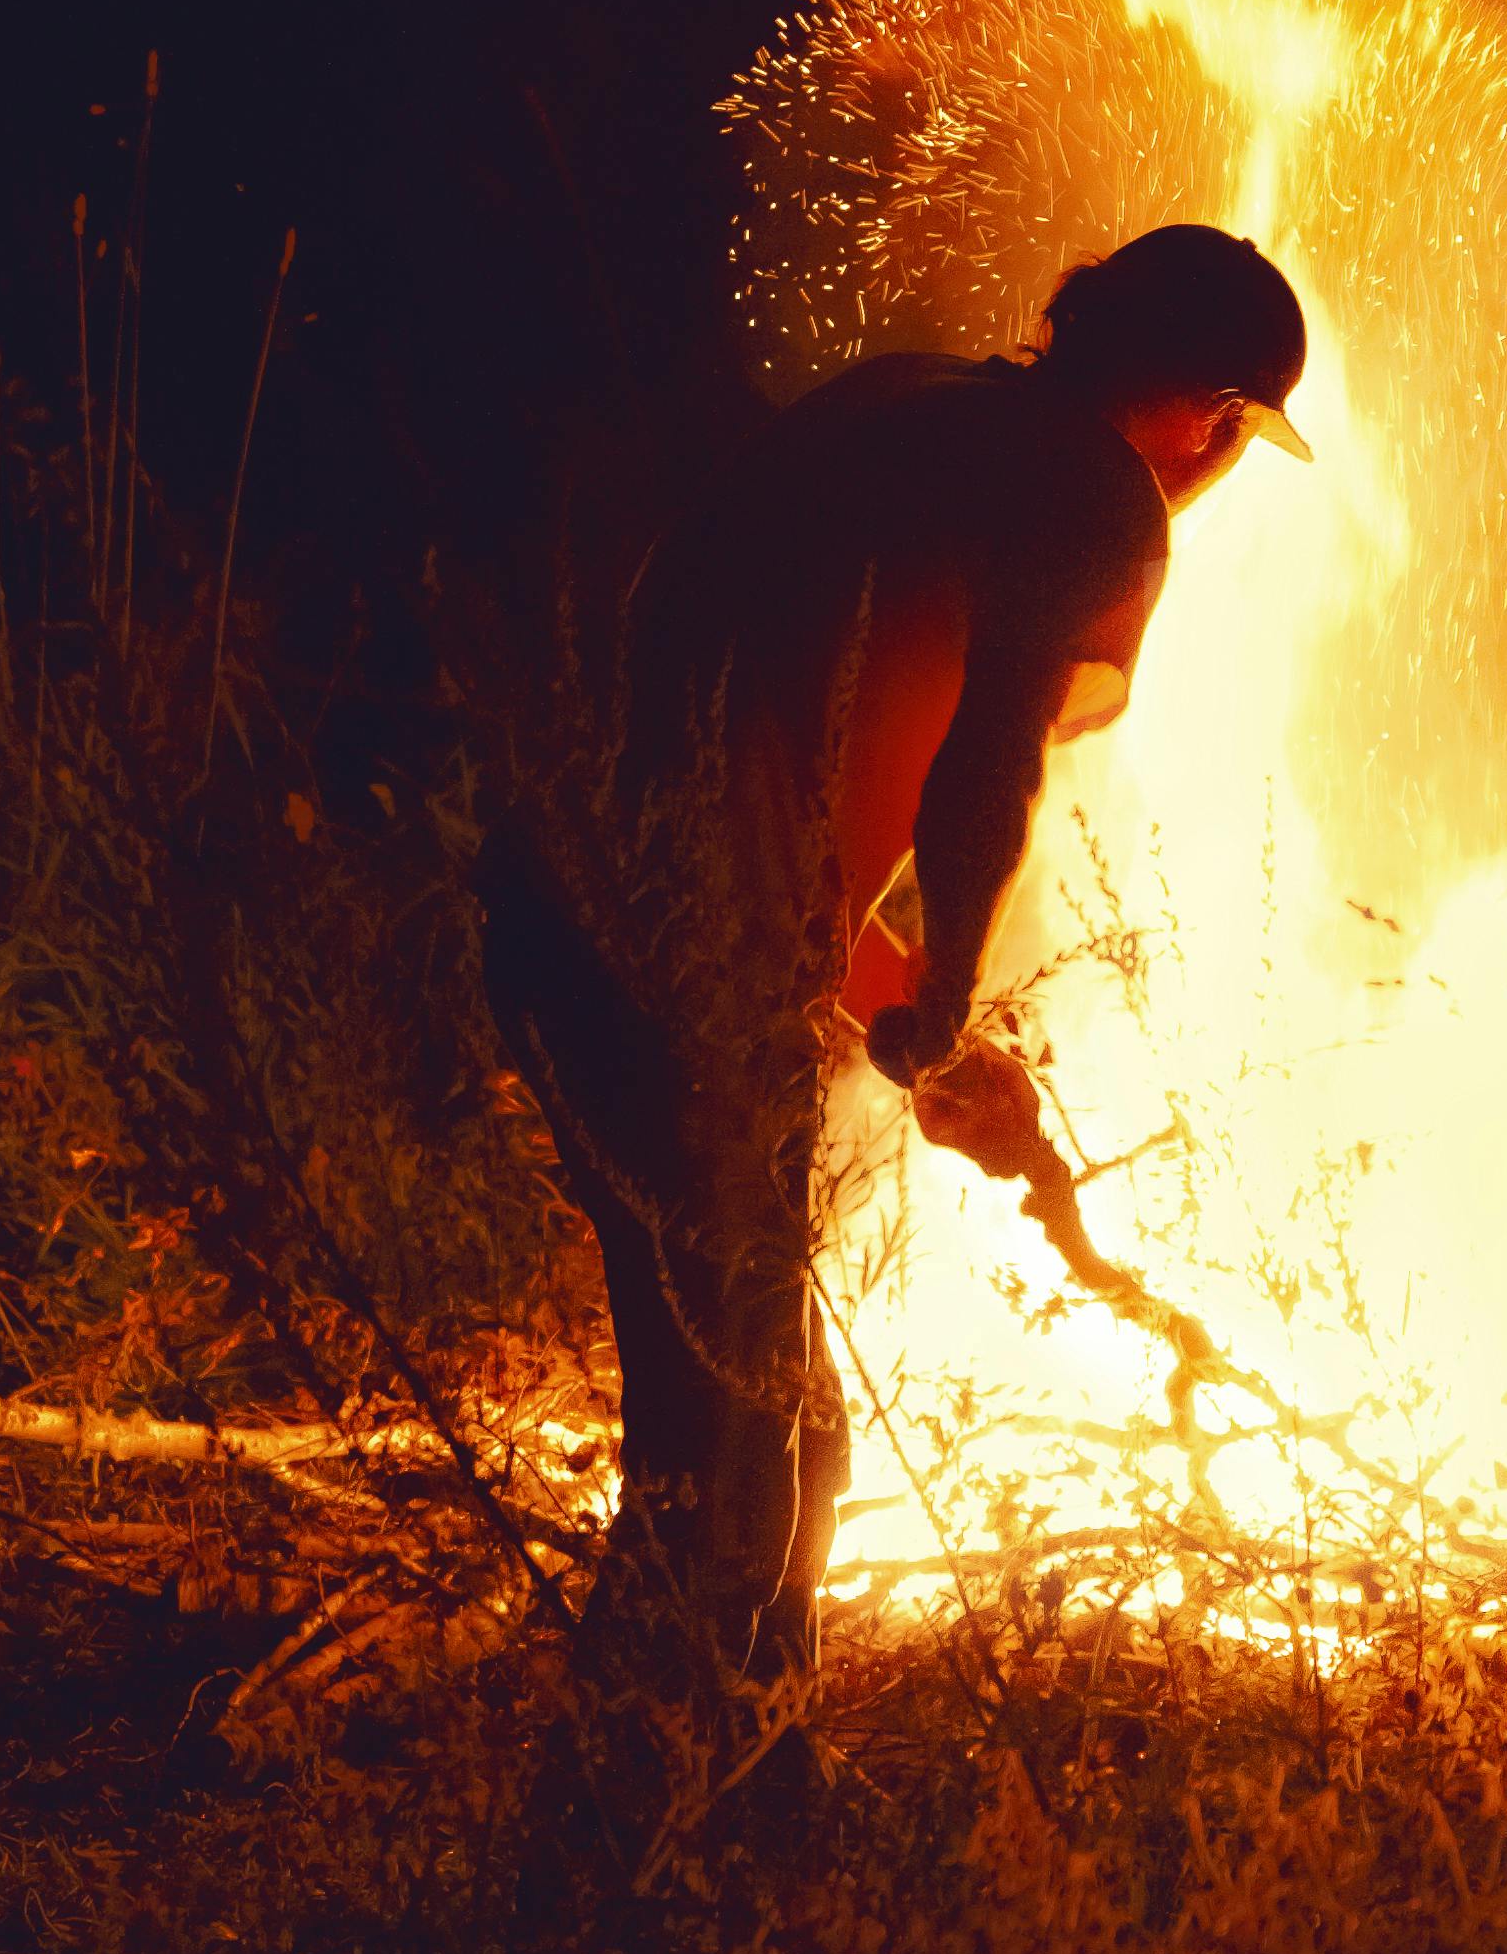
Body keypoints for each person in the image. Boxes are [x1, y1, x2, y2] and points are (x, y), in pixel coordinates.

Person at [476, 224, 1311, 1690]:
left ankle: (718, 1778)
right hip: (685, 966)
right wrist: (948, 991)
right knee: (747, 1442)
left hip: (556, 912)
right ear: (1207, 411)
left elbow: (743, 783)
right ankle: (654, 1817)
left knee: (754, 1424)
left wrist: (903, 1020)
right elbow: (985, 767)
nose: (1215, 464)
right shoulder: (1088, 489)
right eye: (1232, 430)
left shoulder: (896, 403)